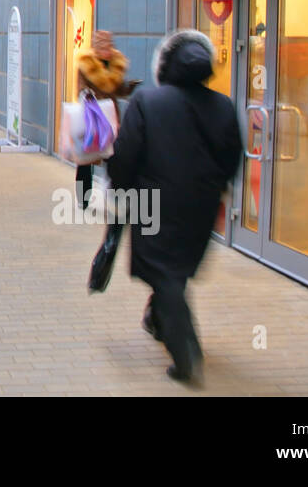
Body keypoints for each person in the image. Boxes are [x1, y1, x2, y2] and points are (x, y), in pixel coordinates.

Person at [107, 29, 243, 386]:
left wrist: (119, 189)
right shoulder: (223, 105)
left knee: (163, 271)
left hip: (152, 202)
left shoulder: (147, 101)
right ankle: (159, 318)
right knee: (175, 269)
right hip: (201, 205)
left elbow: (126, 153)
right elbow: (232, 157)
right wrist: (218, 189)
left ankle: (187, 355)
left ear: (164, 64)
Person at [71, 30, 138, 208]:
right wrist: (87, 94)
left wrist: (128, 88)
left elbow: (117, 90)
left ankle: (116, 195)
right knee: (86, 159)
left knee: (114, 157)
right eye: (102, 45)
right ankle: (83, 198)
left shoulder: (116, 63)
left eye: (108, 45)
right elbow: (80, 88)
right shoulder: (86, 63)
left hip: (110, 115)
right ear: (96, 46)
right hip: (91, 115)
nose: (106, 49)